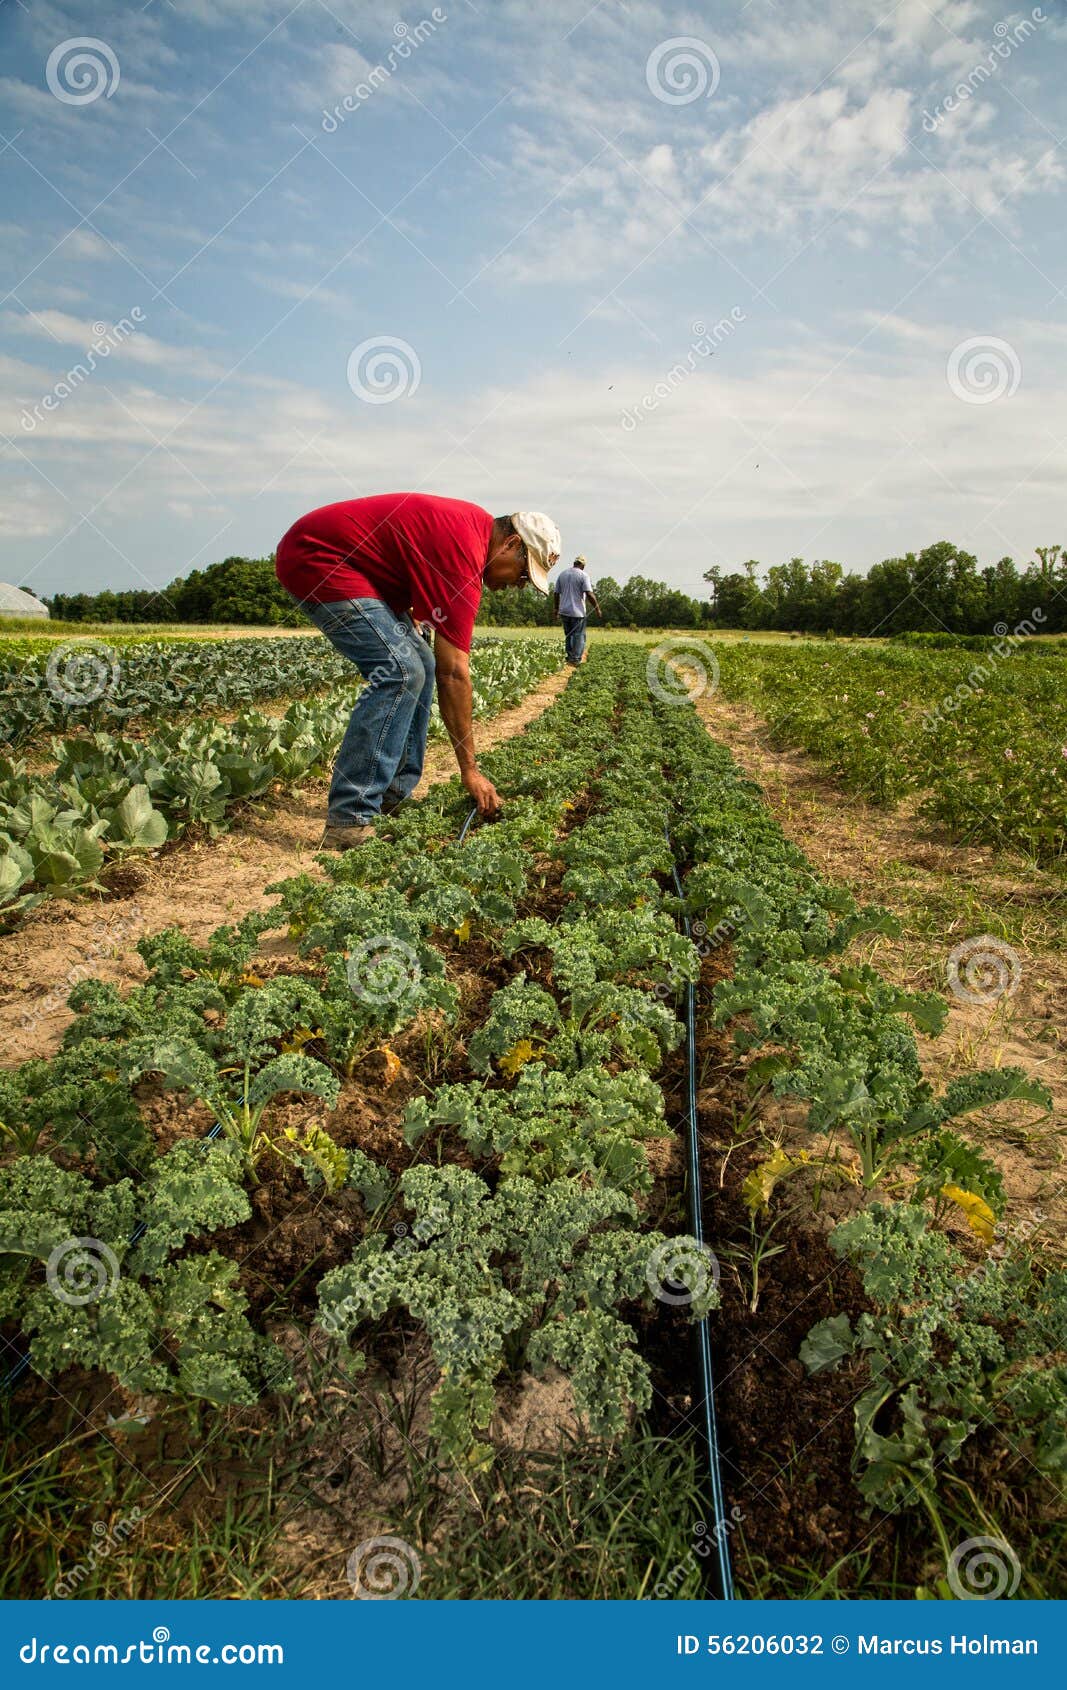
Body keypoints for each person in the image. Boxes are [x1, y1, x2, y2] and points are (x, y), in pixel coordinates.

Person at [275, 493, 560, 848]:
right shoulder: (464, 554)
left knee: (419, 662)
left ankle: (392, 796)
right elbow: (454, 673)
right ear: (511, 543)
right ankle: (351, 816)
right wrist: (469, 770)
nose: (517, 585)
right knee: (401, 670)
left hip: (359, 571)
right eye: (523, 573)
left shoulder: (472, 532)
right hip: (318, 559)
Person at [553, 554, 601, 665]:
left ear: (574, 563)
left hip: (564, 611)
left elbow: (556, 593)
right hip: (577, 612)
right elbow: (589, 593)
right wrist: (597, 608)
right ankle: (575, 659)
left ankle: (570, 657)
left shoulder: (562, 574)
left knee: (569, 635)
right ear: (583, 565)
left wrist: (556, 609)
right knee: (579, 636)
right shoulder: (583, 575)